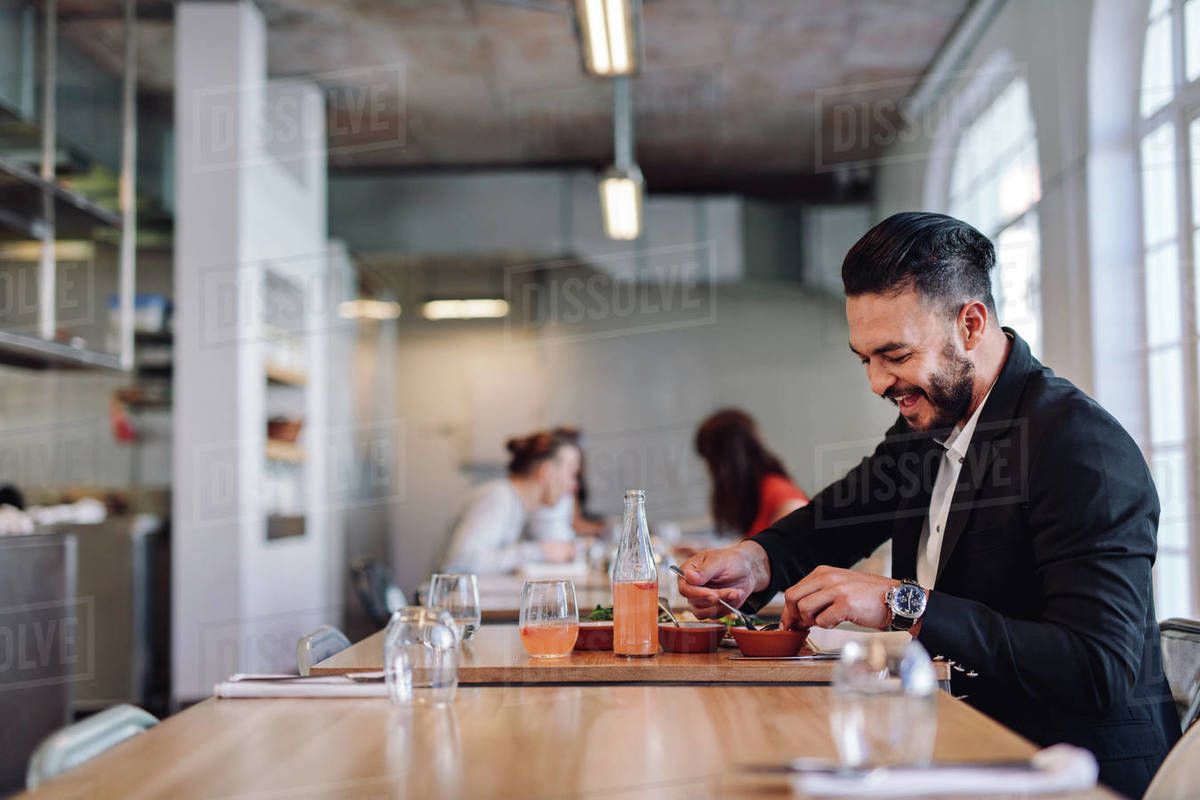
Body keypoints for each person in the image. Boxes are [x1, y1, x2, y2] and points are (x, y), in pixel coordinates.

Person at [676, 212, 1180, 797]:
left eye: (894, 354)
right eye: (864, 358)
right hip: (956, 747)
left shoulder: (1080, 447)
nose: (876, 382)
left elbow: (1098, 668)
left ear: (970, 325)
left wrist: (901, 603)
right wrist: (755, 560)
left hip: (1071, 776)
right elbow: (839, 517)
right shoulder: (926, 424)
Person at [442, 430, 580, 574]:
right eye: (572, 473)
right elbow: (462, 560)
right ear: (546, 471)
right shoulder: (499, 497)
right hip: (451, 595)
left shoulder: (517, 505)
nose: (574, 485)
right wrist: (540, 552)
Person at [695, 409, 810, 538]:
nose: (707, 469)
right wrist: (707, 551)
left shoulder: (780, 494)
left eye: (709, 460)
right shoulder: (757, 493)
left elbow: (788, 550)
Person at [527, 426, 609, 542]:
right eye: (571, 472)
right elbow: (576, 524)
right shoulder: (514, 497)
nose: (574, 485)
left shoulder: (568, 491)